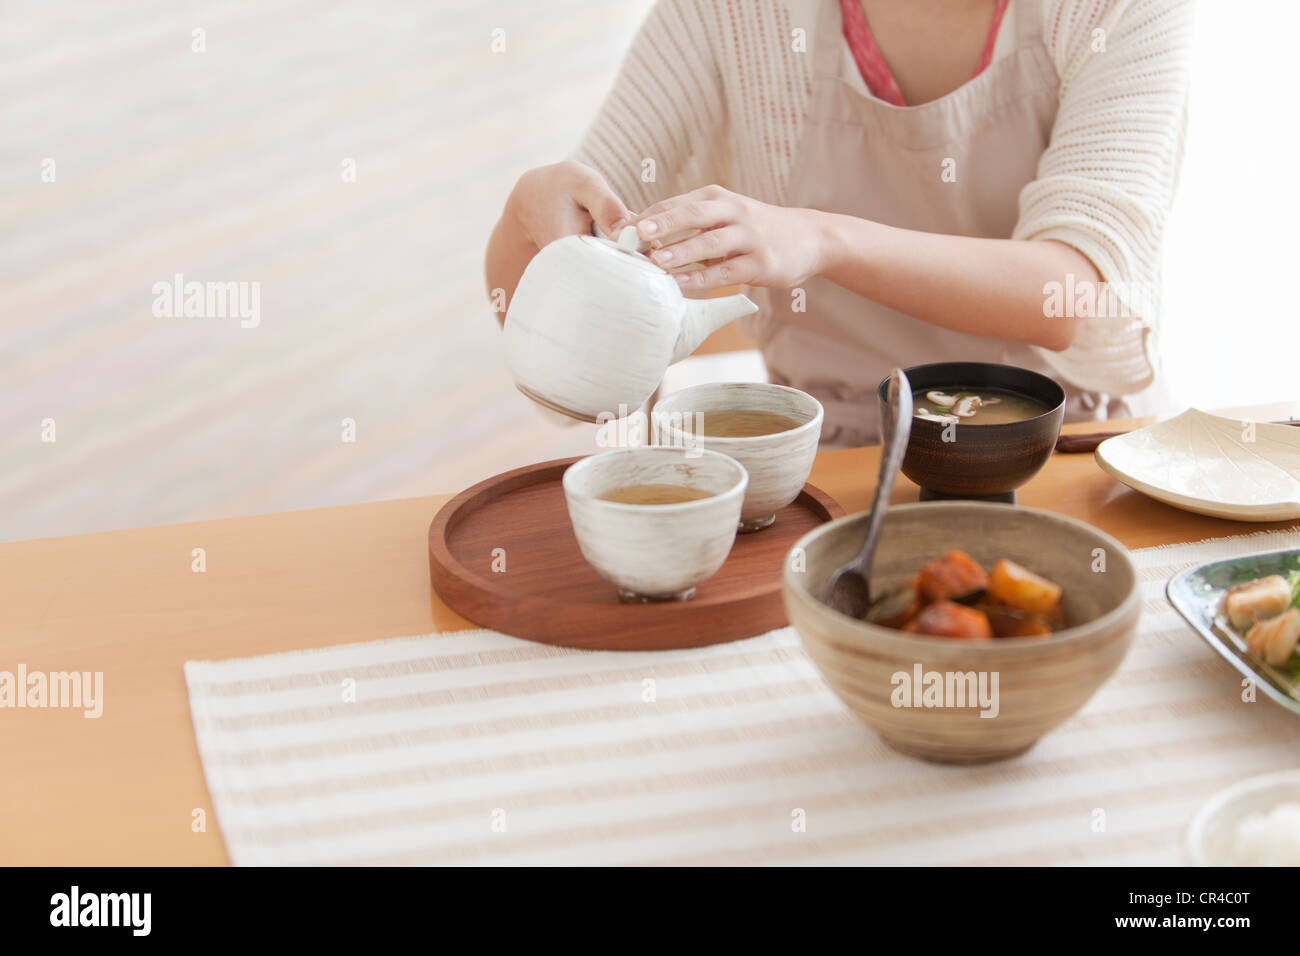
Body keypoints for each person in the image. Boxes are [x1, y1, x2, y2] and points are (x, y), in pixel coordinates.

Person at [486, 0, 1193, 445]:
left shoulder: (1120, 10)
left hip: (1061, 448)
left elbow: (1065, 294)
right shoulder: (728, 15)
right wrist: (526, 221)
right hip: (828, 459)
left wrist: (824, 239)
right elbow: (580, 239)